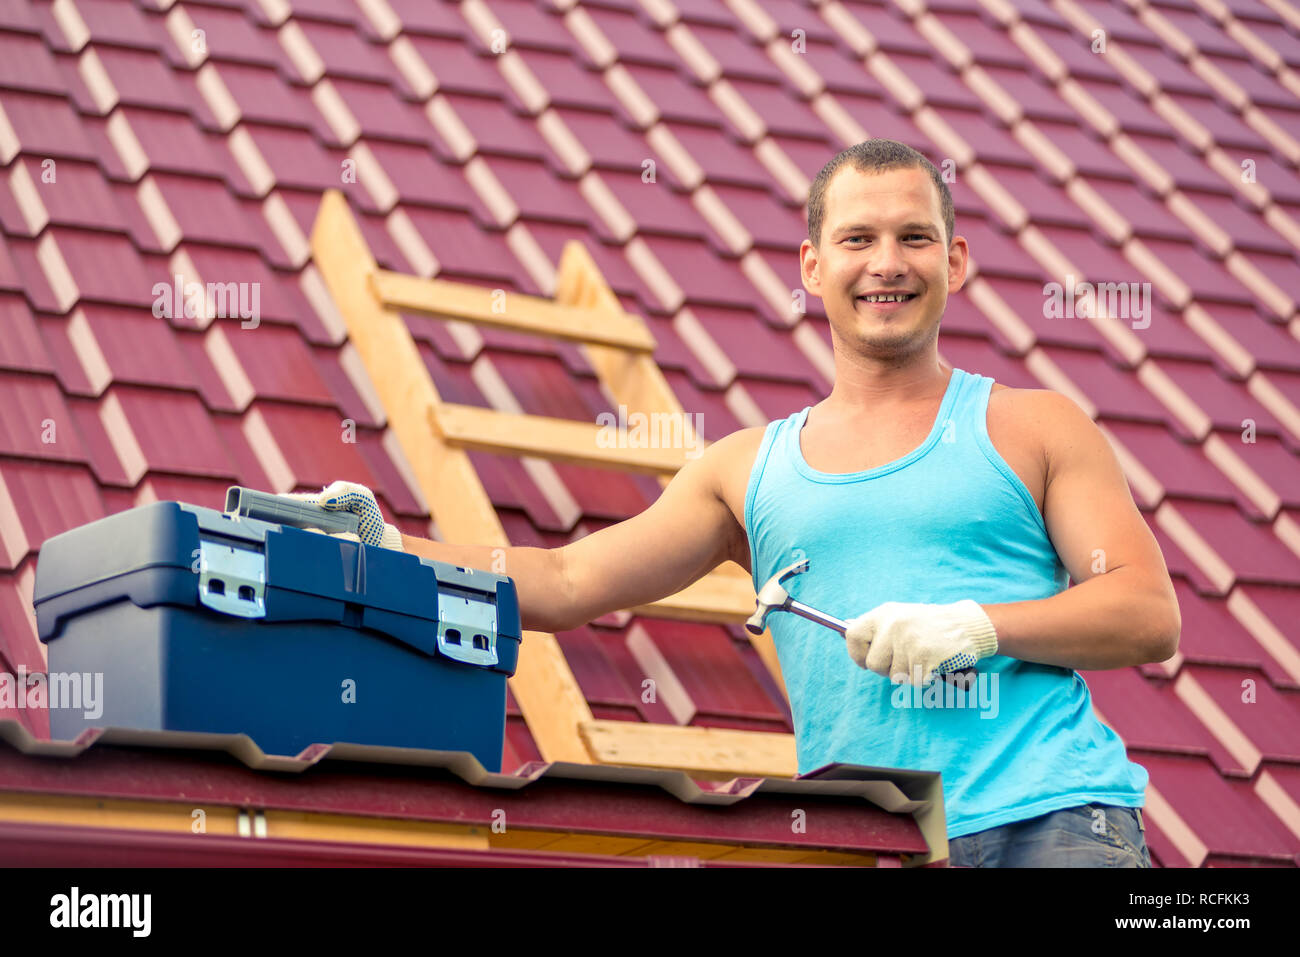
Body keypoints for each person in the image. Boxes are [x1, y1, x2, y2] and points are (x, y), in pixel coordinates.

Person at [286, 139, 1179, 868]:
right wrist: (390, 547)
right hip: (870, 842)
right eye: (858, 239)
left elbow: (1144, 613)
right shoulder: (748, 471)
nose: (886, 264)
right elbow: (560, 578)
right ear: (812, 264)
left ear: (954, 261)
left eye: (914, 238)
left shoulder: (1033, 425)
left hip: (1056, 824)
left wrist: (981, 625)